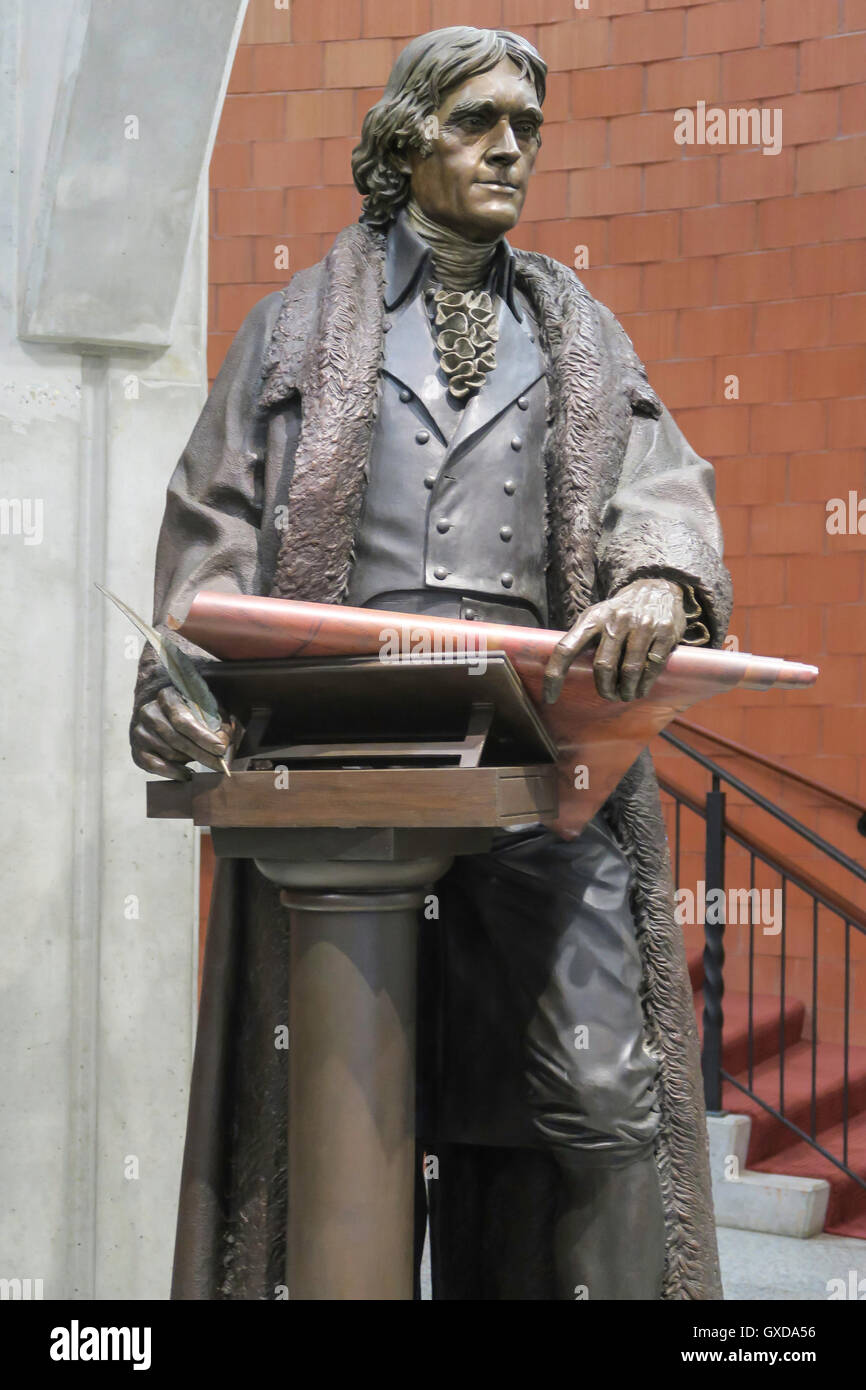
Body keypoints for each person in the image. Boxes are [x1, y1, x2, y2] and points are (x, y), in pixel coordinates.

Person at [130, 26, 732, 1300]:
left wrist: (656, 582)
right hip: (337, 770)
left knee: (600, 1095)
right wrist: (179, 683)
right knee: (344, 1123)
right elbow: (212, 537)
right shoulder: (295, 329)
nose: (510, 146)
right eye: (477, 122)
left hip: (533, 766)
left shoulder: (578, 330)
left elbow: (660, 486)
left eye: (526, 124)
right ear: (403, 142)